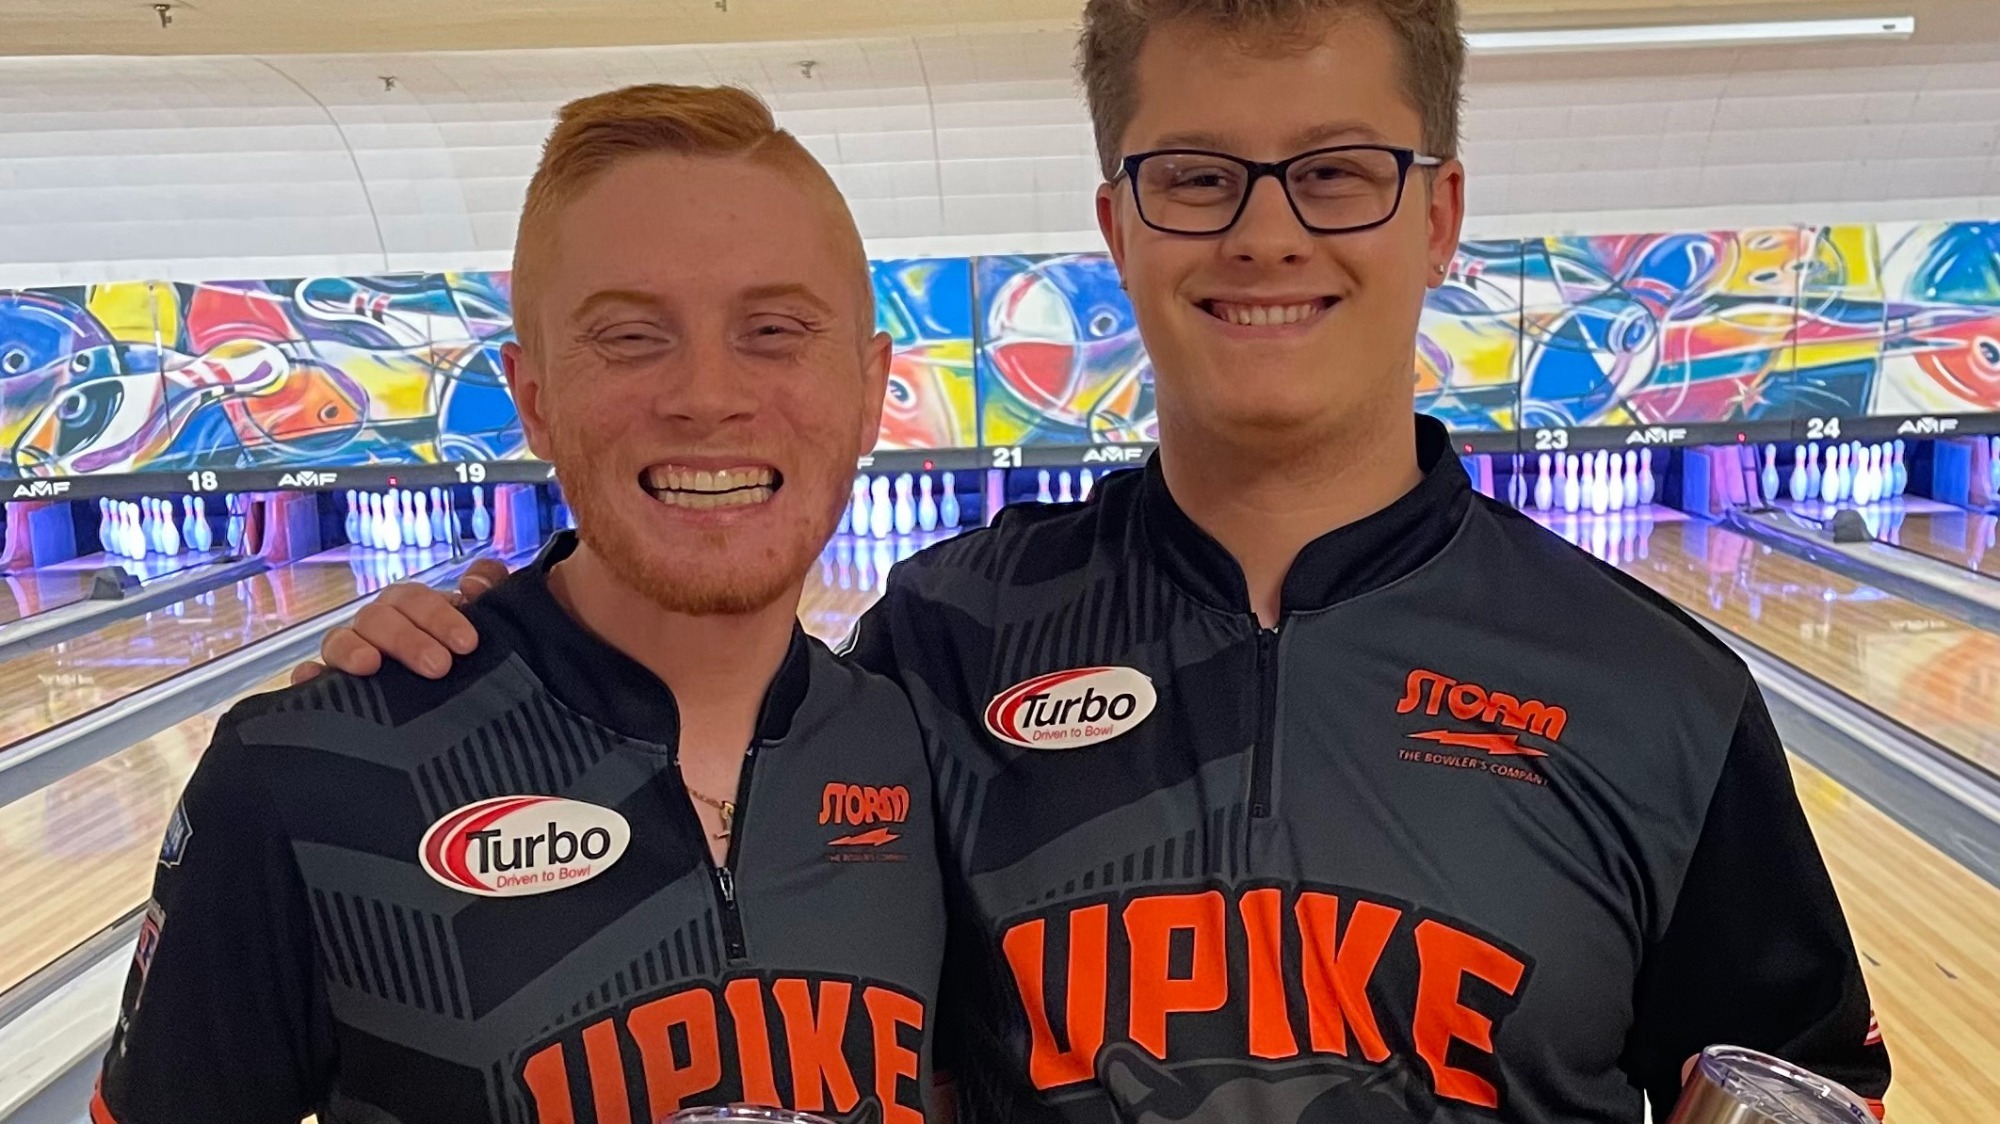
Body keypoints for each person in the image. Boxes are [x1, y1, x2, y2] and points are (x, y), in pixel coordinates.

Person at [296, 0, 1894, 1120]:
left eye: (1336, 171)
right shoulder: (942, 640)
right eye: (1195, 176)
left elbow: (1796, 1085)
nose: (1265, 234)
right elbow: (704, 863)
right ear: (1119, 223)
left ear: (1438, 211)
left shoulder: (1652, 695)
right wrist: (467, 679)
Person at [98, 85, 946, 1124]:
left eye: (772, 329)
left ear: (869, 392)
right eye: (630, 337)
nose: (706, 394)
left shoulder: (924, 750)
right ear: (533, 398)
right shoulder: (306, 778)